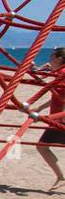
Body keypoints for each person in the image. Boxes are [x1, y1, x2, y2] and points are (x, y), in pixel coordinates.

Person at [34, 47, 65, 189]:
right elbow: (55, 96)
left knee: (42, 146)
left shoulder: (62, 73)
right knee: (42, 146)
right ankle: (60, 177)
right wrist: (40, 109)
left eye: (52, 57)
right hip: (56, 118)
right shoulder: (58, 73)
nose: (50, 60)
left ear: (59, 59)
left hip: (60, 119)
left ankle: (61, 177)